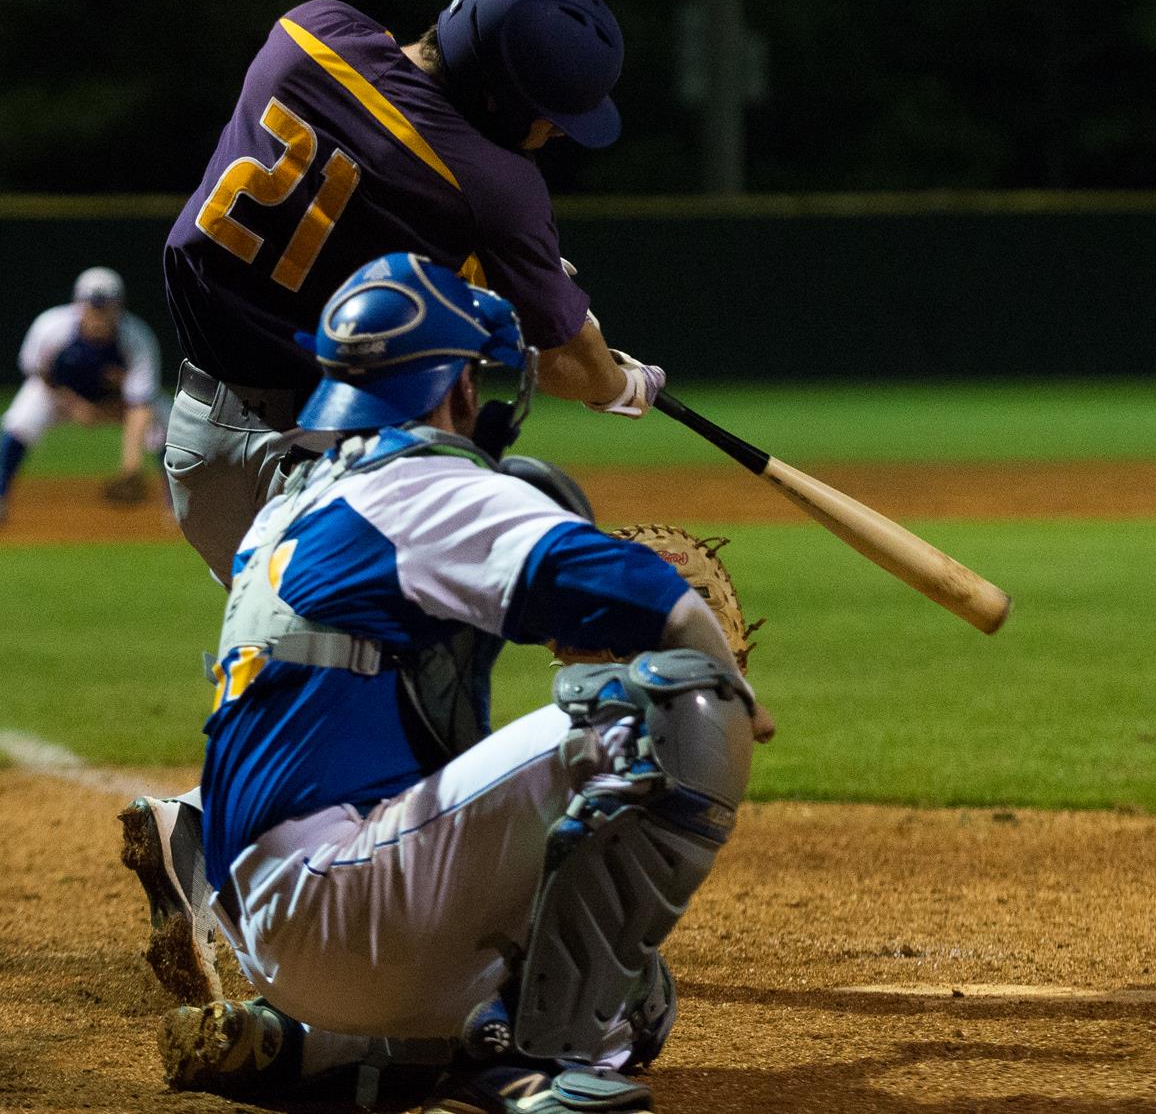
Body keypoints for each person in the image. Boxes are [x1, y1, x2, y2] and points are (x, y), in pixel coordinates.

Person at [125, 0, 670, 1011]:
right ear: (504, 97)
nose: (558, 134)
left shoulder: (307, 31)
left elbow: (378, 181)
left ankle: (204, 827)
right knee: (428, 679)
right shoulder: (496, 184)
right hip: (326, 469)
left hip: (203, 443)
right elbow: (569, 365)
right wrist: (627, 383)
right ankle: (378, 948)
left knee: (319, 678)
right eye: (551, 115)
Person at [155, 254, 774, 1114]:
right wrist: (730, 691)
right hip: (340, 896)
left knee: (638, 1002)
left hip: (277, 924)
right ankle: (528, 1073)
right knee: (676, 706)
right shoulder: (428, 483)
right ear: (448, 388)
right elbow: (658, 600)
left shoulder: (291, 504)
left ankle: (324, 1048)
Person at [0, 266, 164, 524]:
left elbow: (140, 403)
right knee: (19, 420)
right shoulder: (51, 327)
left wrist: (131, 464)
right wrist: (75, 407)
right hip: (58, 396)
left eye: (105, 306)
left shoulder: (137, 337)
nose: (98, 313)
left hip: (116, 403)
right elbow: (41, 376)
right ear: (78, 304)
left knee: (167, 423)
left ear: (119, 306)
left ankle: (178, 507)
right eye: (92, 305)